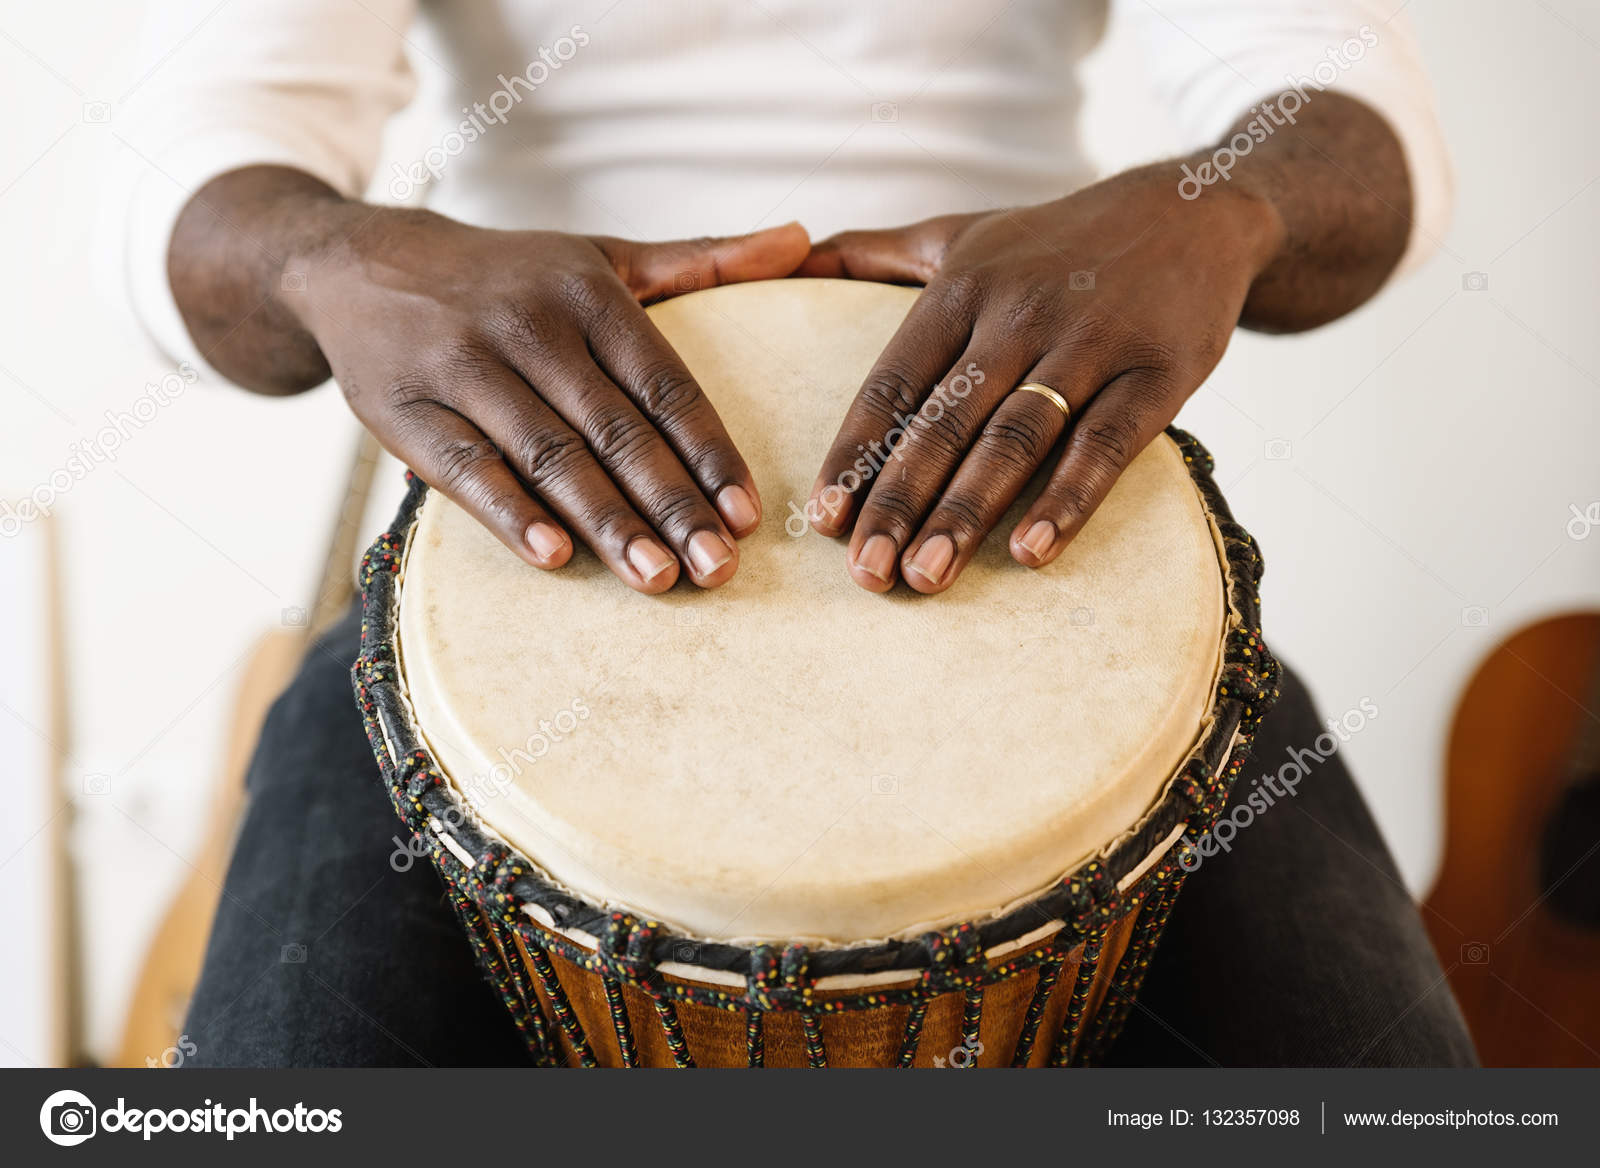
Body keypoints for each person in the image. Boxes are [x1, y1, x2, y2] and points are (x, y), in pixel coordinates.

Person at [117, 0, 1474, 1065]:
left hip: (1036, 503)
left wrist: (1217, 210)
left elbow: (1353, 118)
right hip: (536, 521)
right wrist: (331, 259)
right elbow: (195, 182)